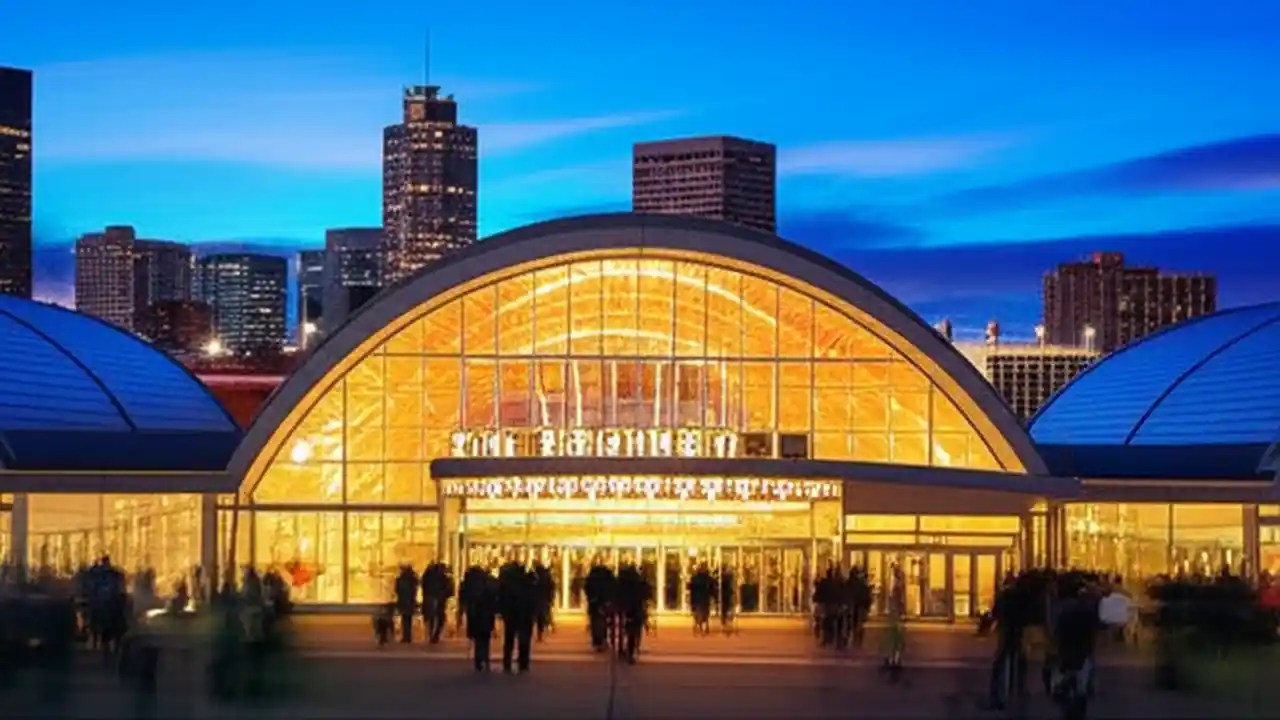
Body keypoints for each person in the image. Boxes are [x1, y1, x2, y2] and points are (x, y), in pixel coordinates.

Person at [498, 560, 536, 674]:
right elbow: (532, 598)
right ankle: (523, 663)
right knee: (524, 640)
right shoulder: (527, 582)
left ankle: (507, 663)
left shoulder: (507, 583)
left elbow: (502, 599)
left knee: (509, 639)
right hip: (524, 614)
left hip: (511, 614)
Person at [616, 562, 650, 663]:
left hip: (626, 607)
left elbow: (618, 593)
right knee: (634, 629)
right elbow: (646, 594)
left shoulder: (623, 583)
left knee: (626, 628)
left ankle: (623, 648)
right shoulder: (639, 582)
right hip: (636, 608)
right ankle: (632, 650)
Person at [584, 559, 616, 651]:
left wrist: (591, 598)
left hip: (594, 603)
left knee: (595, 621)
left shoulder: (592, 577)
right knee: (603, 621)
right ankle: (603, 639)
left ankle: (597, 641)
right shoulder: (608, 577)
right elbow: (613, 588)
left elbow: (587, 588)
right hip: (604, 603)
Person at [421, 560, 453, 644]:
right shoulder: (444, 577)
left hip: (432, 598)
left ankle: (432, 634)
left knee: (432, 617)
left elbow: (424, 585)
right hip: (438, 599)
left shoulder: (429, 575)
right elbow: (449, 589)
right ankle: (434, 635)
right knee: (438, 618)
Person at [394, 564, 419, 644]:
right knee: (408, 619)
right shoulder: (413, 579)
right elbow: (415, 589)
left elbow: (397, 590)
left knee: (405, 619)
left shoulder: (400, 579)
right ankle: (408, 636)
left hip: (403, 601)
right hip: (410, 601)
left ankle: (406, 636)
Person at [533, 560, 555, 641]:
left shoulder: (535, 577)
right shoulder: (547, 576)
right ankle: (543, 632)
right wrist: (551, 597)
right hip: (545, 599)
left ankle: (540, 634)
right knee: (544, 616)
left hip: (537, 599)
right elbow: (552, 587)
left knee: (539, 617)